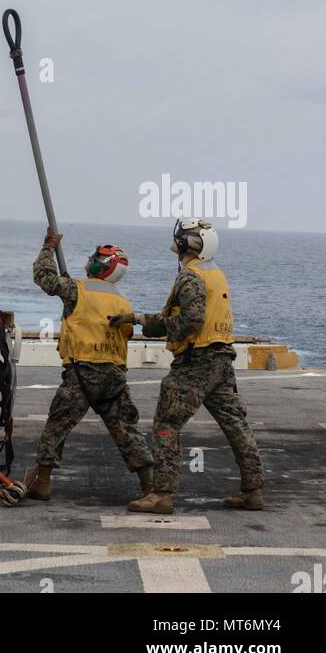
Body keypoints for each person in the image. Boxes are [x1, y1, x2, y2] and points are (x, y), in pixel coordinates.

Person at [114, 219, 264, 514]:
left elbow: (190, 321)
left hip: (196, 361)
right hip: (221, 358)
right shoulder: (215, 274)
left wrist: (151, 324)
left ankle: (161, 494)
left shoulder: (190, 276)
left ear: (187, 244)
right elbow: (190, 318)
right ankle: (253, 490)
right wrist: (139, 319)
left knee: (166, 425)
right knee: (236, 426)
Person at [24, 229, 153, 502]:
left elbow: (43, 277)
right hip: (114, 376)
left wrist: (48, 247)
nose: (92, 258)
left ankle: (43, 482)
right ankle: (149, 487)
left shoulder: (77, 289)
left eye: (97, 256)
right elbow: (125, 335)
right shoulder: (122, 301)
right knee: (127, 431)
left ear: (103, 265)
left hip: (82, 373)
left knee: (57, 425)